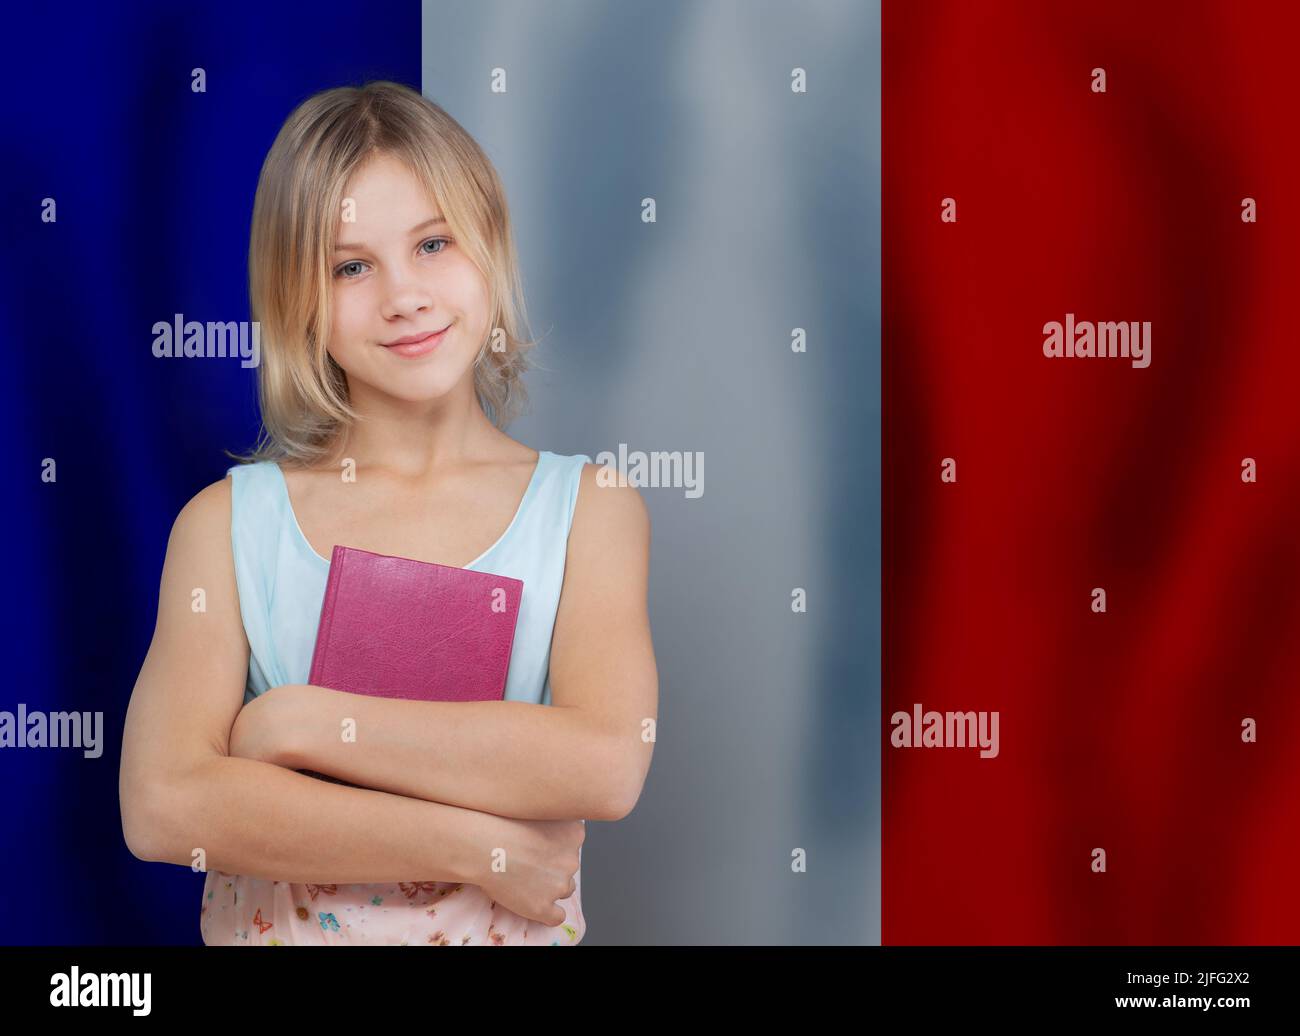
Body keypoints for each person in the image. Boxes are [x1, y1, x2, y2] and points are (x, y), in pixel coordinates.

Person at [118, 81, 658, 945]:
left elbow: (606, 761)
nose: (403, 295)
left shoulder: (588, 510)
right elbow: (161, 805)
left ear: (490, 246)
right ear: (298, 297)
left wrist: (298, 725)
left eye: (433, 243)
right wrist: (476, 847)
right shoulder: (226, 528)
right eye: (351, 266)